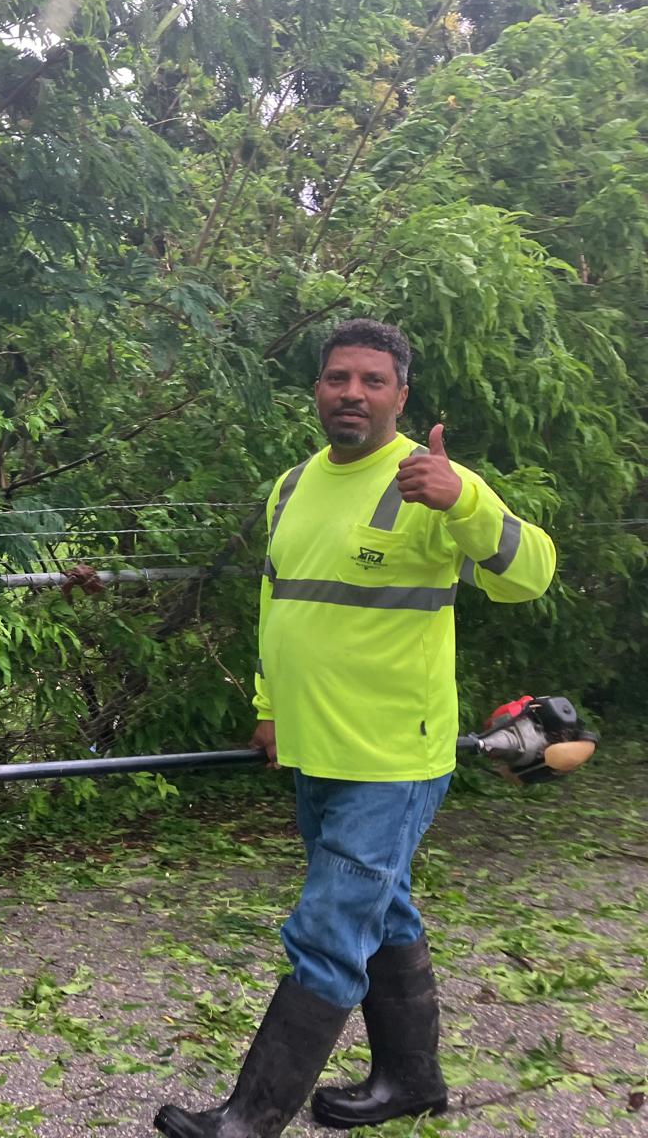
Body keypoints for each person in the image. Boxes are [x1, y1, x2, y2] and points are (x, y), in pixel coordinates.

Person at [153, 319, 556, 1138]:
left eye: (374, 381)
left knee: (332, 930)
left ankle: (248, 1118)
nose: (353, 393)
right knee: (383, 912)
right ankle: (411, 1079)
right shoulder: (291, 486)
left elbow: (532, 575)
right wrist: (270, 708)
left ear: (400, 396)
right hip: (315, 750)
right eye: (339, 378)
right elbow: (278, 605)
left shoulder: (432, 484)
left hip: (394, 755)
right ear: (318, 390)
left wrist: (469, 503)